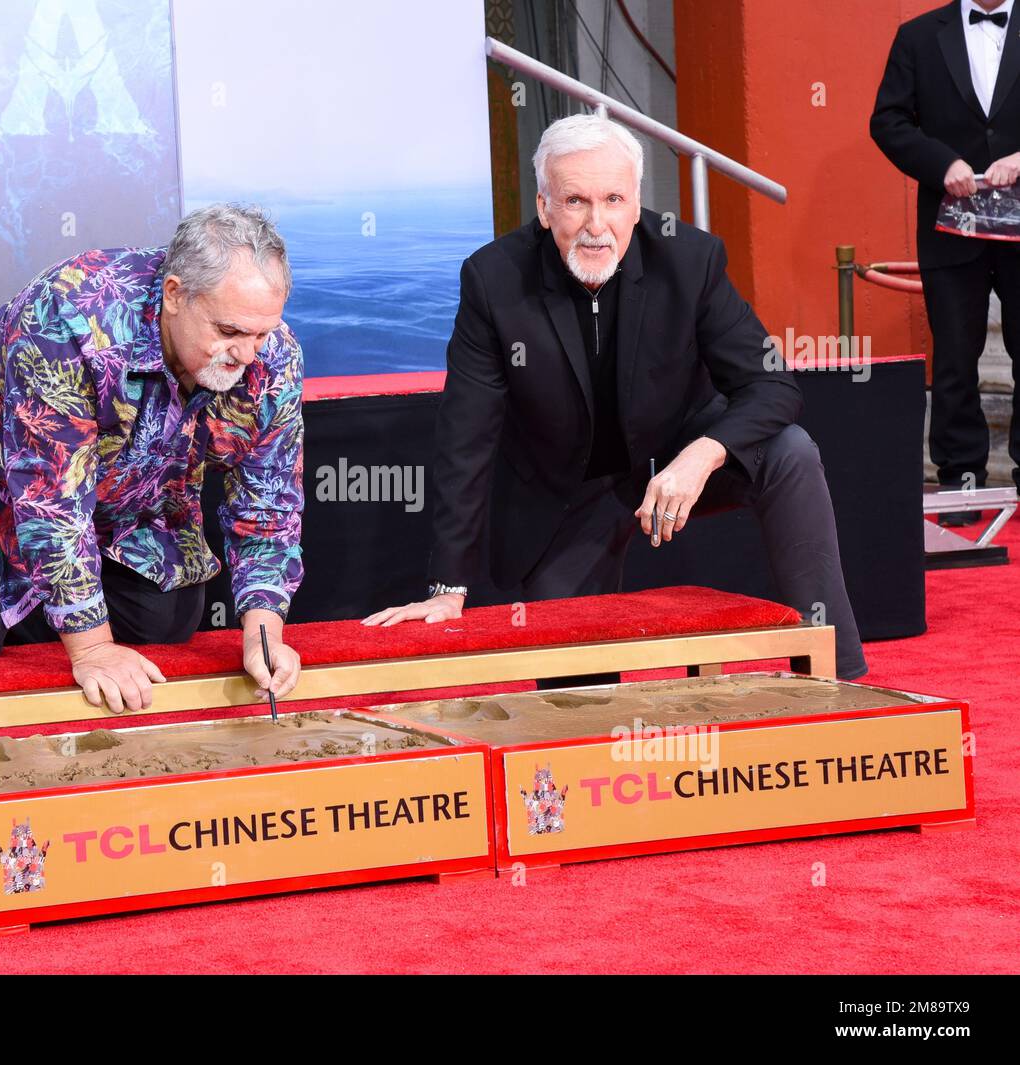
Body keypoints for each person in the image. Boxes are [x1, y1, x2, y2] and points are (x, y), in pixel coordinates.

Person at [363, 114, 867, 682]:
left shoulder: (689, 260)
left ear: (636, 204)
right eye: (575, 201)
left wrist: (703, 454)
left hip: (675, 457)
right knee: (575, 695)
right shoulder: (494, 279)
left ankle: (836, 677)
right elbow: (466, 436)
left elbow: (772, 384)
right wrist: (448, 589)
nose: (595, 225)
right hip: (566, 494)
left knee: (789, 452)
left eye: (613, 199)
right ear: (543, 205)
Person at [0, 204, 305, 764]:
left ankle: (46, 602)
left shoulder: (271, 354)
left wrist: (265, 627)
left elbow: (269, 499)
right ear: (174, 295)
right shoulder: (68, 316)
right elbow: (49, 497)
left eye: (262, 332)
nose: (246, 354)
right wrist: (91, 649)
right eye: (229, 332)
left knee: (167, 620)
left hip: (136, 482)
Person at [871, 0, 1020, 521]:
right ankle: (961, 482)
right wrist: (943, 162)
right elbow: (887, 120)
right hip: (950, 227)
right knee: (956, 360)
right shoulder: (917, 35)